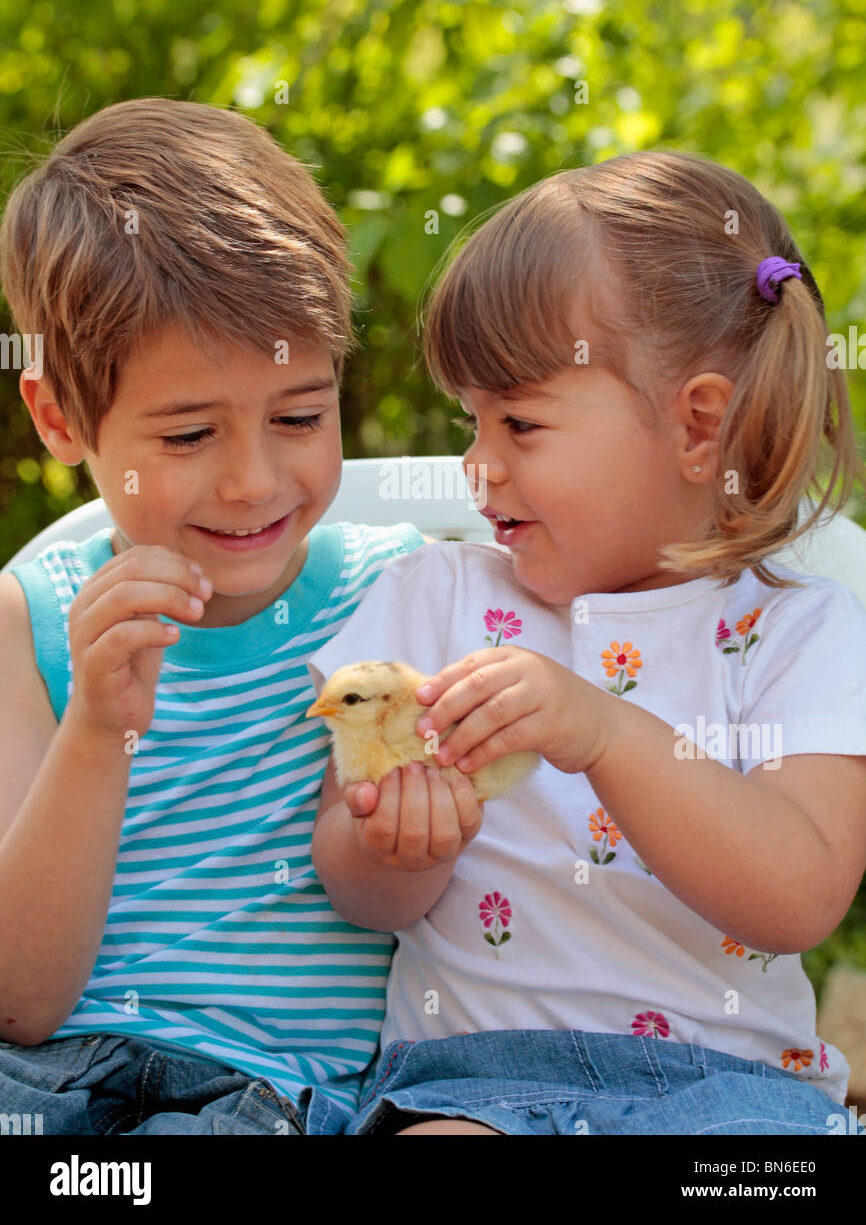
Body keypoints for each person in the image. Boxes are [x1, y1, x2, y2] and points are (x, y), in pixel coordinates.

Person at [307, 150, 866, 1136]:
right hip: (468, 1082)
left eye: (517, 422)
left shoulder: (799, 629)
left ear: (695, 427)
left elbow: (796, 896)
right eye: (469, 422)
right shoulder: (431, 598)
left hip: (728, 1092)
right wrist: (397, 844)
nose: (476, 468)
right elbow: (358, 891)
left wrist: (603, 732)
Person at [0, 97, 433, 1134]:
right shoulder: (31, 621)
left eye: (298, 416)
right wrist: (100, 731)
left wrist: (412, 819)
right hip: (38, 1076)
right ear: (60, 416)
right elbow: (20, 997)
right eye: (190, 434)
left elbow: (392, 895)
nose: (253, 481)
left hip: (263, 1096)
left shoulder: (393, 595)